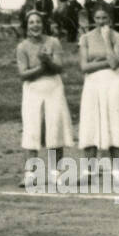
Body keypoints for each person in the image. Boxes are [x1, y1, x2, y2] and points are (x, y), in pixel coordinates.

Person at [16, 11, 74, 187]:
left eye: (38, 22)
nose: (35, 25)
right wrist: (42, 66)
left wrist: (48, 61)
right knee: (32, 128)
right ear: (27, 26)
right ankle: (30, 173)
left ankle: (56, 173)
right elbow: (23, 74)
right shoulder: (22, 47)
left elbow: (59, 68)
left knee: (54, 128)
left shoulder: (53, 42)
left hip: (53, 88)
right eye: (31, 22)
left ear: (43, 24)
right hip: (32, 90)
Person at [77, 5, 119, 185]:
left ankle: (116, 171)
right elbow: (84, 67)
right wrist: (104, 62)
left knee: (114, 123)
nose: (101, 22)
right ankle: (88, 171)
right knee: (90, 125)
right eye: (98, 18)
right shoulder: (85, 38)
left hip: (113, 84)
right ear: (93, 19)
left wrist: (107, 41)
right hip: (92, 85)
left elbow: (115, 63)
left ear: (111, 20)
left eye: (105, 18)